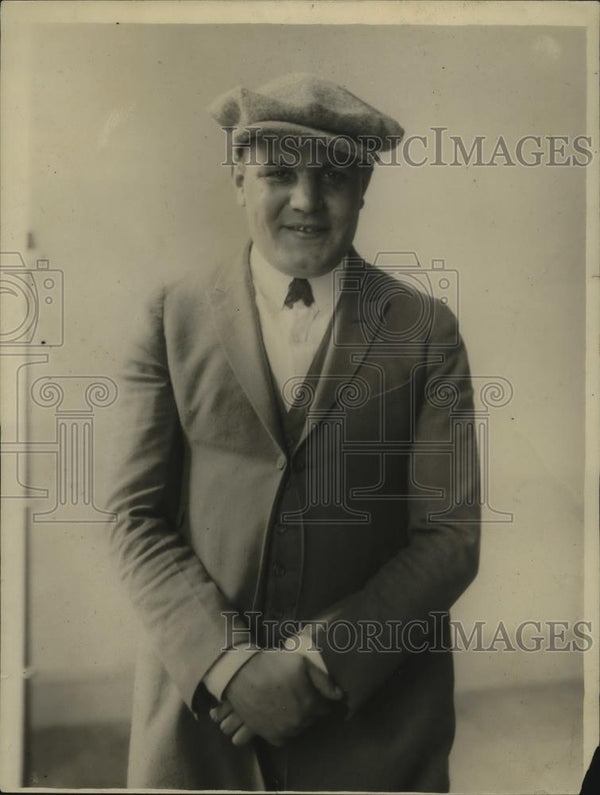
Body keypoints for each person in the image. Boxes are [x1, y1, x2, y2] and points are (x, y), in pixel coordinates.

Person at [107, 72, 480, 792]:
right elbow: (133, 516)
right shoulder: (170, 314)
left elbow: (451, 535)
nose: (307, 200)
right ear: (239, 181)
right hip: (202, 729)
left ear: (365, 188)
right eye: (279, 172)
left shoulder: (426, 331)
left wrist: (317, 663)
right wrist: (233, 667)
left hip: (373, 730)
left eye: (335, 176)